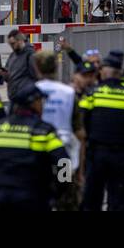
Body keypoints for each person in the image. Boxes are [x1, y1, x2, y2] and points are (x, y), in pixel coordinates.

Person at [77, 50, 124, 211]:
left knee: (92, 199)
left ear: (106, 72)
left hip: (96, 154)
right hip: (121, 155)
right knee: (117, 200)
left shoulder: (92, 94)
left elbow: (81, 123)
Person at [0, 85, 69, 211]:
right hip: (34, 198)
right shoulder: (42, 131)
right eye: (40, 101)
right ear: (33, 103)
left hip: (2, 197)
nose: (42, 105)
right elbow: (64, 162)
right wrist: (60, 189)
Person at [33, 49, 80, 183]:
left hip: (37, 152)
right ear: (56, 67)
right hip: (64, 152)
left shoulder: (29, 93)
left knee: (40, 194)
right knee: (65, 192)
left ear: (37, 68)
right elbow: (79, 132)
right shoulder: (69, 93)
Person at [2, 29, 38, 103]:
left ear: (20, 40)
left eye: (13, 43)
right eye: (10, 44)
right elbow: (8, 73)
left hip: (26, 98)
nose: (11, 46)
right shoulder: (13, 55)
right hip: (14, 97)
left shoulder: (30, 55)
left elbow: (36, 75)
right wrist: (4, 74)